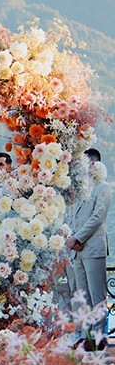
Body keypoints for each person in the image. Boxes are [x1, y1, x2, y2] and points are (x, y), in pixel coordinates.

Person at [66, 148, 111, 350]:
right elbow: (72, 217)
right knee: (82, 296)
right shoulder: (80, 188)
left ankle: (99, 337)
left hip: (93, 248)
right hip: (77, 250)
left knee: (97, 295)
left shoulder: (103, 187)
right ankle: (86, 335)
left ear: (94, 163)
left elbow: (97, 217)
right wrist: (72, 238)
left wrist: (78, 237)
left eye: (84, 163)